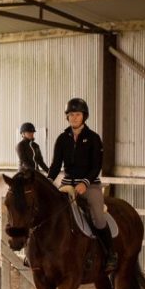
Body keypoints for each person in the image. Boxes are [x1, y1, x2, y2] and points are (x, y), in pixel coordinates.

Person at [47, 97, 116, 272]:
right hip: (67, 185)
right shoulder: (62, 139)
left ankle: (110, 254)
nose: (74, 117)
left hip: (89, 185)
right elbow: (56, 165)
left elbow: (96, 166)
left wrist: (85, 183)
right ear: (67, 117)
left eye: (77, 114)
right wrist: (48, 181)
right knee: (49, 212)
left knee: (98, 218)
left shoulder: (93, 138)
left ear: (84, 116)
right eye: (71, 114)